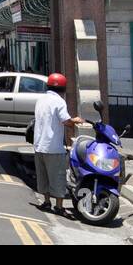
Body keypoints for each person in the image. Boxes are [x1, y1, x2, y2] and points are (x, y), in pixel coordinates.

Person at [32, 72, 83, 215]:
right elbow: (65, 121)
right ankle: (59, 206)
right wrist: (76, 121)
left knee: (43, 176)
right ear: (63, 89)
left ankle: (46, 202)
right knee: (58, 176)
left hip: (39, 144)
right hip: (53, 146)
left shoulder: (40, 100)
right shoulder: (59, 101)